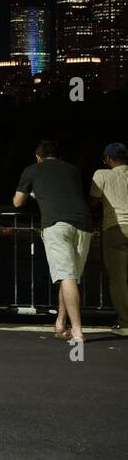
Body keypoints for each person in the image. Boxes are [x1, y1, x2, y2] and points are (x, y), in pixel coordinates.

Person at [15, 139, 94, 343]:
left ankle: (77, 331)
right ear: (59, 157)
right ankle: (60, 324)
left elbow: (17, 202)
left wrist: (35, 194)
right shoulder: (73, 170)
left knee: (66, 276)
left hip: (56, 224)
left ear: (38, 157)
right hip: (84, 224)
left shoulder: (32, 169)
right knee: (70, 276)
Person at [91, 142, 128, 335]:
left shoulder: (101, 174)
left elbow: (94, 201)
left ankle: (126, 322)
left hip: (115, 227)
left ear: (107, 159)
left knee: (118, 279)